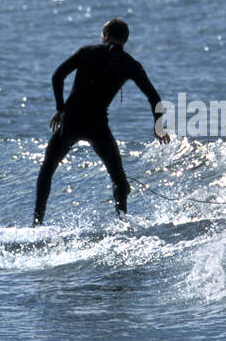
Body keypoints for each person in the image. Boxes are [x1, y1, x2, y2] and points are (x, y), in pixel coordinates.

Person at [34, 18, 169, 225]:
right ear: (125, 39)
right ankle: (121, 223)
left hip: (71, 121)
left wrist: (60, 108)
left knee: (47, 171)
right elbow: (154, 97)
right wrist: (158, 127)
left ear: (105, 36)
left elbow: (57, 76)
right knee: (119, 181)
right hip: (97, 125)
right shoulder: (130, 64)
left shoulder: (87, 51)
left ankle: (37, 222)